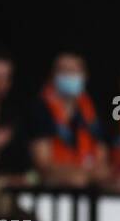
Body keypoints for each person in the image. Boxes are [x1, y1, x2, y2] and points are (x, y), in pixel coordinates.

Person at [29, 53, 107, 186]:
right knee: (76, 180)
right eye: (63, 71)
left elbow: (102, 155)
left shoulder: (91, 111)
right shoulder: (40, 109)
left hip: (87, 180)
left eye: (74, 71)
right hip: (51, 185)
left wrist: (93, 173)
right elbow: (42, 162)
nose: (69, 75)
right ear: (53, 76)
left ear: (84, 76)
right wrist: (76, 174)